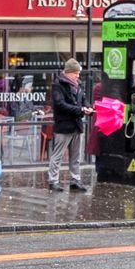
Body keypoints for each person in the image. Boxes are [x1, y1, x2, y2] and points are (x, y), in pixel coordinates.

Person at [47, 58, 92, 191]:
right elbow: (60, 104)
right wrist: (80, 110)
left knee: (76, 156)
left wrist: (88, 108)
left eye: (78, 73)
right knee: (58, 155)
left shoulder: (78, 85)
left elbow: (84, 100)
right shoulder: (58, 85)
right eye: (76, 73)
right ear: (68, 72)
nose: (78, 75)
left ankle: (75, 180)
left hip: (77, 124)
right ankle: (53, 181)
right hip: (64, 125)